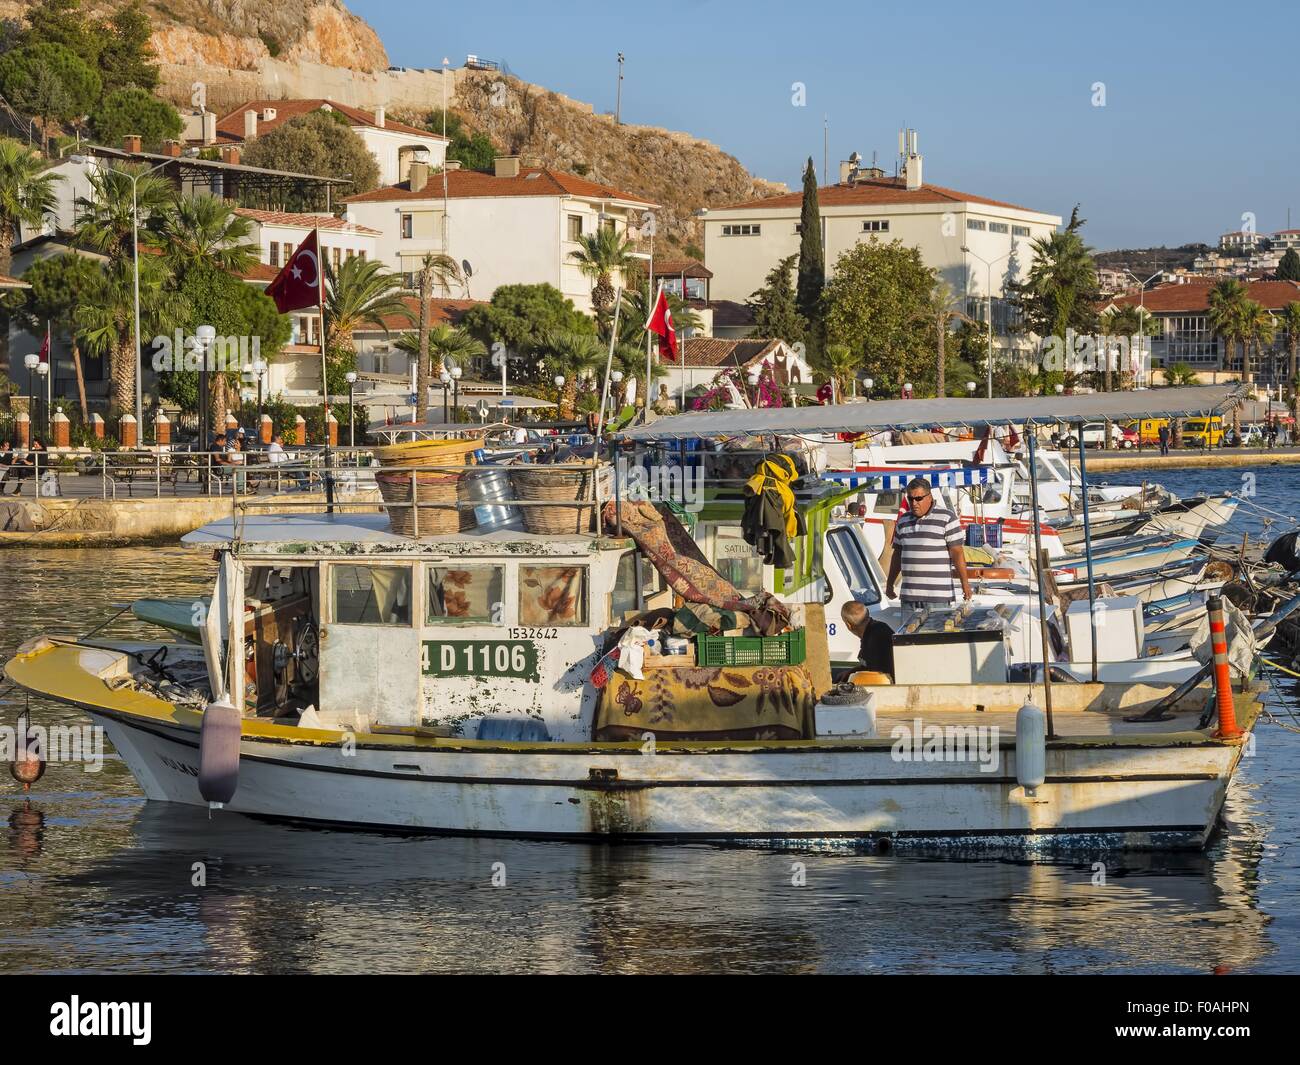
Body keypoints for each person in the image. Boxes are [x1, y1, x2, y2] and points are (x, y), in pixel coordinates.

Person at [885, 476, 971, 607]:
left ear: (929, 497)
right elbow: (897, 555)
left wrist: (965, 584)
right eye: (910, 498)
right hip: (909, 597)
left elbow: (957, 553)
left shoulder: (947, 517)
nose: (914, 503)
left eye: (918, 498)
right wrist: (890, 584)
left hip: (938, 597)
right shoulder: (903, 521)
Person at [841, 601, 895, 677]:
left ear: (848, 625)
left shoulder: (874, 640)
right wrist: (850, 672)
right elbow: (867, 667)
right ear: (868, 612)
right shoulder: (880, 627)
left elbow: (876, 675)